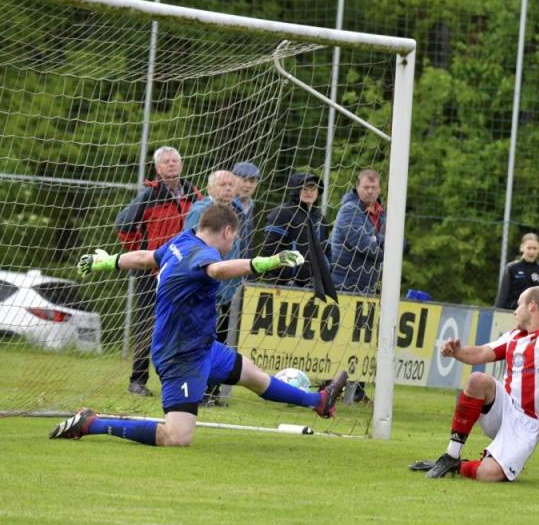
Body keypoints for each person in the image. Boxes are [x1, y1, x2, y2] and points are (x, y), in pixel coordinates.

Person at [50, 204, 348, 447]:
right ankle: (91, 423)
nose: (232, 244)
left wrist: (108, 261)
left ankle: (319, 401)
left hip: (203, 348)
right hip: (180, 357)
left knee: (255, 376)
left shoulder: (182, 241)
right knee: (176, 437)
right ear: (227, 231)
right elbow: (217, 270)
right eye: (234, 238)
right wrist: (265, 262)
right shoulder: (204, 255)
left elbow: (145, 257)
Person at [411, 286, 539, 481]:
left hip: (528, 424)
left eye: (519, 305)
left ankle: (459, 466)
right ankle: (451, 455)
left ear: (532, 306)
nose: (515, 311)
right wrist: (457, 352)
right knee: (477, 380)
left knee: (488, 474)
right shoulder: (514, 336)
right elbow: (481, 353)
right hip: (504, 408)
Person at [115, 146, 201, 397]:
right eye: (166, 161)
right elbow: (123, 225)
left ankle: (179, 380)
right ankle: (137, 380)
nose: (171, 164)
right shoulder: (149, 195)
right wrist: (142, 256)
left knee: (183, 325)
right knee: (148, 324)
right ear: (157, 168)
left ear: (181, 165)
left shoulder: (194, 194)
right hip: (152, 271)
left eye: (175, 160)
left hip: (183, 271)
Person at [184, 170, 243, 407]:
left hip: (227, 289)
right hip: (205, 288)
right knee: (201, 341)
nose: (228, 189)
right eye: (223, 184)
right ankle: (196, 391)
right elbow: (192, 247)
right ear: (209, 188)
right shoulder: (200, 211)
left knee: (220, 341)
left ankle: (212, 391)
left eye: (231, 184)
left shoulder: (235, 212)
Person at [261, 172, 335, 301]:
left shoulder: (320, 218)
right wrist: (286, 278)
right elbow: (270, 250)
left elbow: (326, 251)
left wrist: (325, 275)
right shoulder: (281, 214)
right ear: (295, 190)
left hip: (314, 288)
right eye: (304, 188)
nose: (309, 192)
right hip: (283, 286)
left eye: (313, 188)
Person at [329, 168, 385, 294]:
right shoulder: (349, 210)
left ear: (379, 189)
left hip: (367, 286)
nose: (370, 191)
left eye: (374, 187)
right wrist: (391, 254)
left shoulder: (382, 214)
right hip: (343, 285)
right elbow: (363, 244)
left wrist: (375, 239)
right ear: (357, 187)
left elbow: (399, 241)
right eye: (366, 187)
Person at [494, 233, 539, 310]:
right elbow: (502, 296)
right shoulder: (511, 268)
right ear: (522, 248)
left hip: (534, 313)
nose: (532, 252)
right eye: (529, 248)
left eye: (535, 248)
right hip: (513, 312)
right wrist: (497, 311)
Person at [231, 161, 261, 259]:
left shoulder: (252, 206)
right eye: (244, 180)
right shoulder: (223, 205)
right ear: (233, 179)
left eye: (252, 181)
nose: (248, 185)